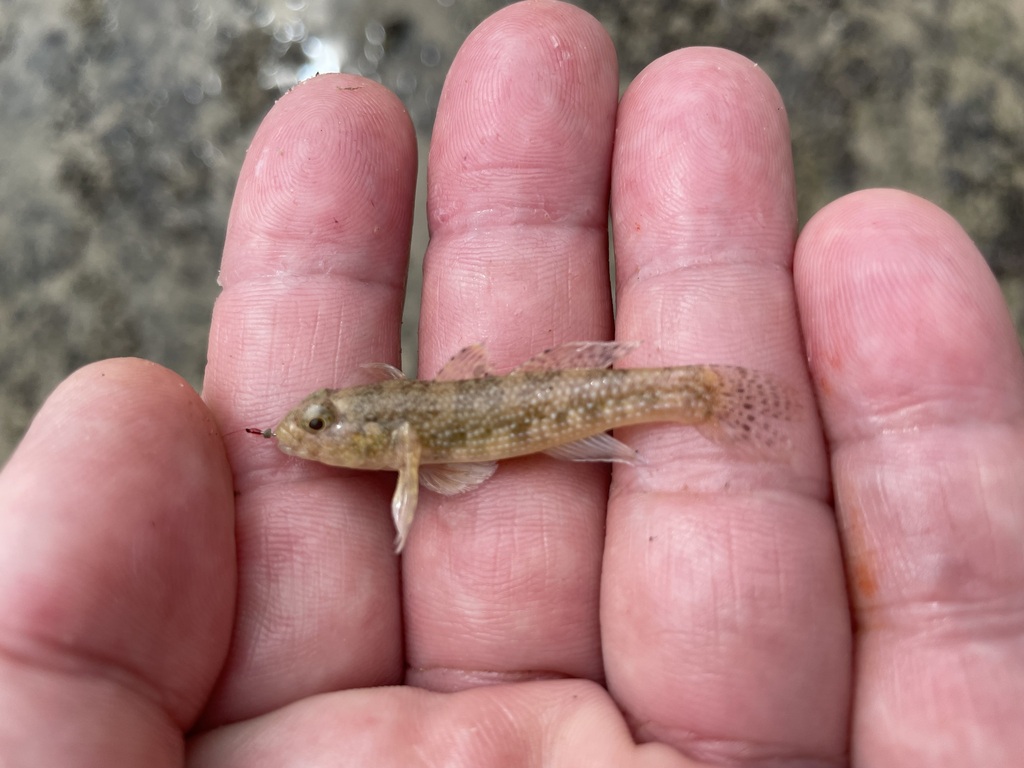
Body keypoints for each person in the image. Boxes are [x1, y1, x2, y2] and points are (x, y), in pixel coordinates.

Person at [2, 1, 1020, 765]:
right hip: (523, 411)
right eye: (314, 422)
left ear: (378, 435)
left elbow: (428, 472)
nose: (304, 431)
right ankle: (700, 394)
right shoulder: (398, 437)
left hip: (545, 405)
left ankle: (706, 395)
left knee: (624, 397)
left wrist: (409, 501)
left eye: (319, 421)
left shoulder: (404, 445)